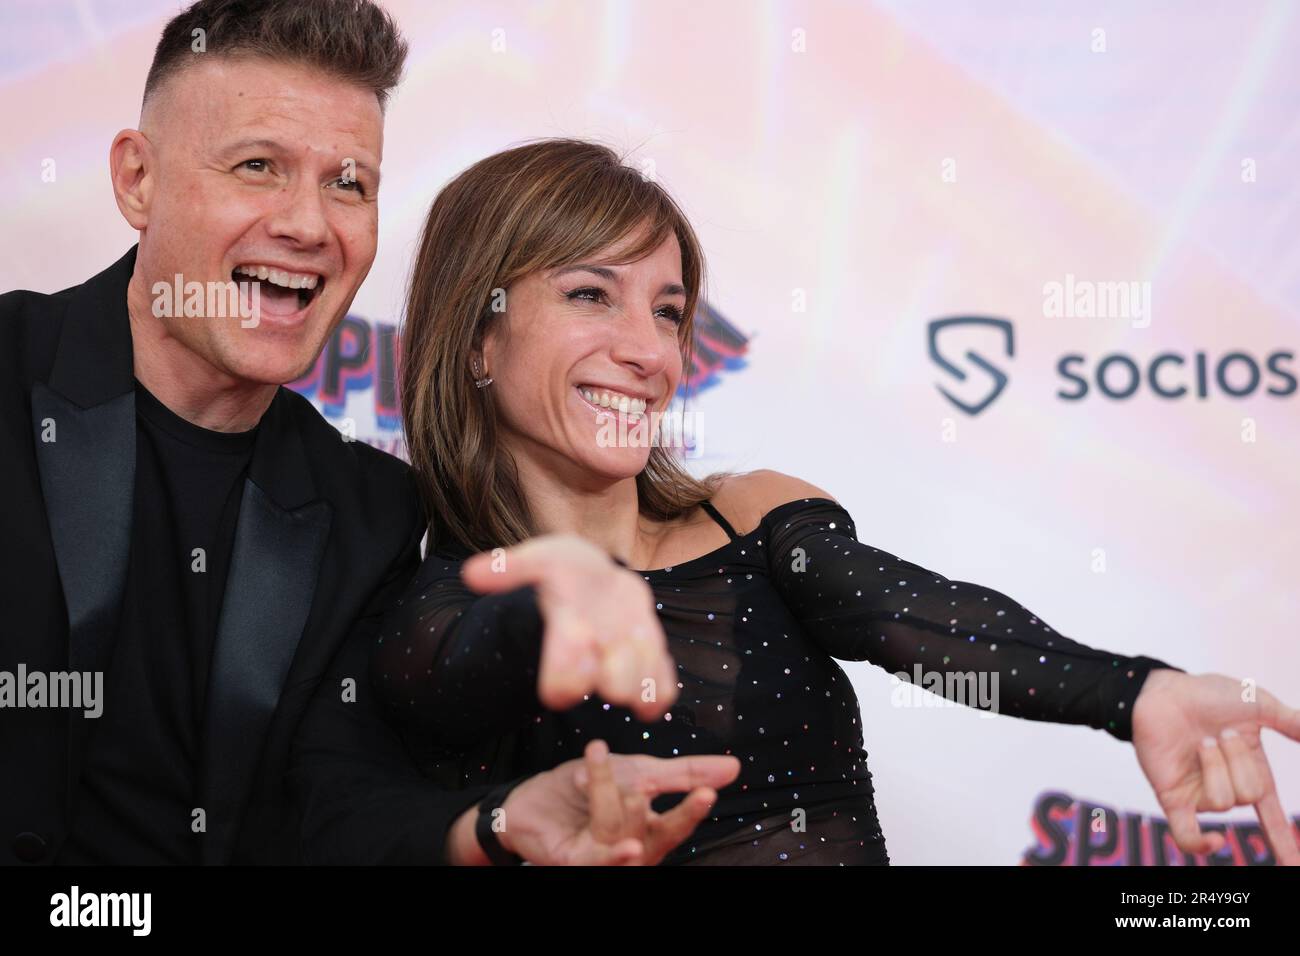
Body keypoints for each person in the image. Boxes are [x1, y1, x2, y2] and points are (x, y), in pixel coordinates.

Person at [377, 137, 1300, 865]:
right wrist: (551, 604)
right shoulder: (438, 599)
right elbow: (447, 679)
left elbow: (911, 617)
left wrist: (1137, 692)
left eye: (667, 311)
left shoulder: (753, 515)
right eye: (592, 295)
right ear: (476, 342)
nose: (650, 353)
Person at [0, 0, 738, 867]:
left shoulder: (369, 509)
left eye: (348, 183)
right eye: (258, 166)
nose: (308, 225)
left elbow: (338, 801)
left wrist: (492, 827)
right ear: (138, 180)